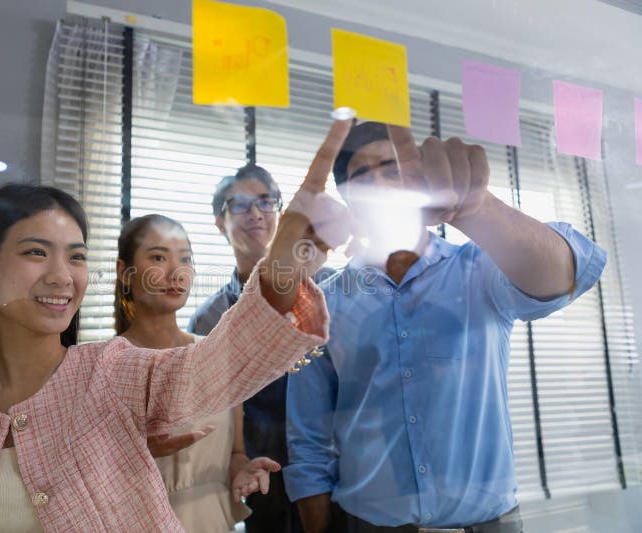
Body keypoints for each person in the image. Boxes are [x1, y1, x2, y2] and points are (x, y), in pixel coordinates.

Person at [0, 119, 349, 533]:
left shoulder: (113, 374)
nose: (60, 275)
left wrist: (284, 259)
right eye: (35, 252)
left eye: (75, 257)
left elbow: (220, 364)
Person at [284, 121, 607, 533]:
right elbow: (308, 439)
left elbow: (563, 275)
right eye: (362, 174)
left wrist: (476, 208)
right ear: (348, 195)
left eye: (394, 169)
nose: (381, 183)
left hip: (489, 524)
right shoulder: (322, 303)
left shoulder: (477, 269)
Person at [114, 213, 281, 532]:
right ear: (125, 272)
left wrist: (243, 472)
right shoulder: (103, 364)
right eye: (158, 257)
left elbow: (234, 454)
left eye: (186, 258)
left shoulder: (217, 355)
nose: (176, 272)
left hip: (212, 520)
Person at [190, 164, 332, 533]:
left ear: (280, 214)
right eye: (239, 205)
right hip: (262, 479)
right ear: (220, 223)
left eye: (266, 202)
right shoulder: (210, 320)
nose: (255, 213)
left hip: (338, 471)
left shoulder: (333, 289)